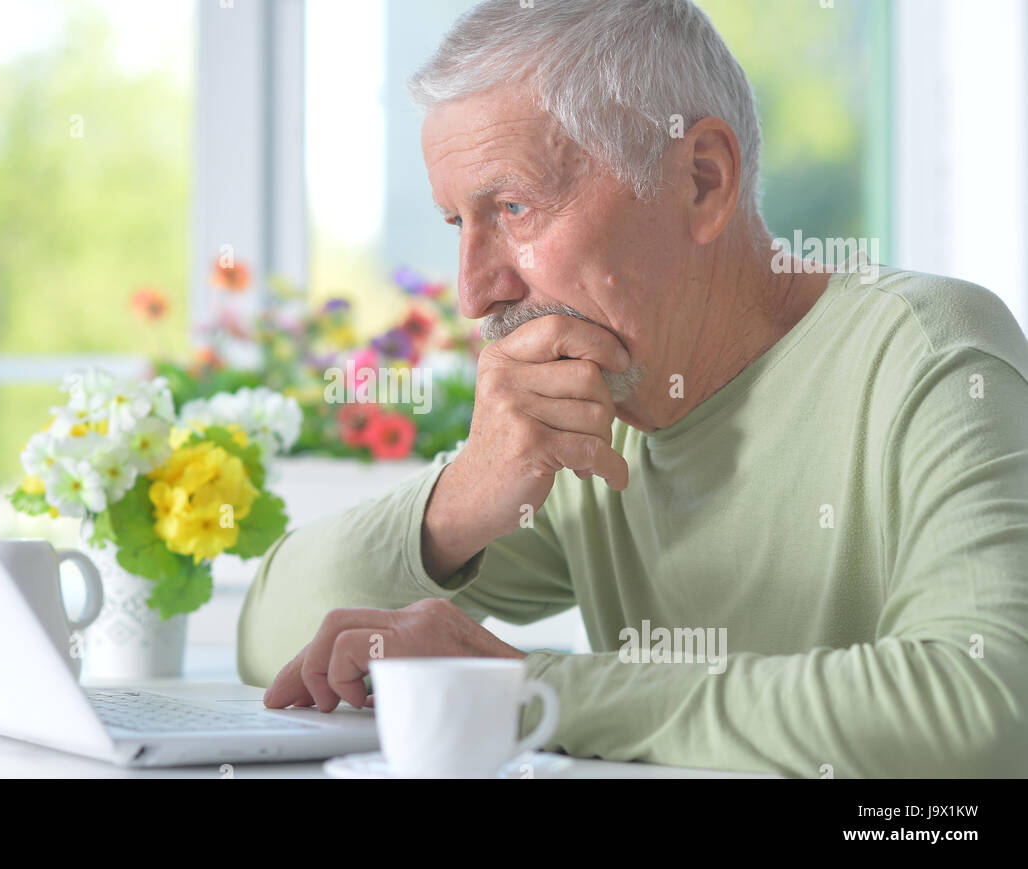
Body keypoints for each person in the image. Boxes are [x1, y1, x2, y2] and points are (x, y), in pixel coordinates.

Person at [236, 0, 1028, 777]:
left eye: (514, 207)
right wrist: (461, 501)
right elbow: (272, 636)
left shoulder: (934, 353)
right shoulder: (583, 415)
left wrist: (523, 690)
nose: (473, 293)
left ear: (703, 181)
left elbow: (982, 712)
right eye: (456, 223)